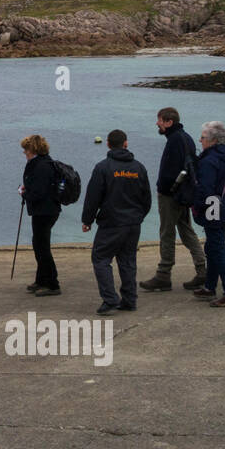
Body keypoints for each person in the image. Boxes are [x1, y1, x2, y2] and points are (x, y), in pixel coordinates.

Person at [80, 129, 152, 315]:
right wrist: (138, 216)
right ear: (126, 144)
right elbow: (147, 199)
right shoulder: (139, 168)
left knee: (101, 258)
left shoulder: (103, 168)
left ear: (108, 144)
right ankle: (129, 300)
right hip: (133, 224)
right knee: (127, 260)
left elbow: (93, 197)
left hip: (112, 223)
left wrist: (87, 220)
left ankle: (110, 299)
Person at [140, 108, 206, 292]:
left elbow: (172, 171)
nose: (157, 123)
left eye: (160, 120)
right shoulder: (185, 138)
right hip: (184, 194)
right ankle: (202, 269)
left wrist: (165, 189)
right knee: (186, 231)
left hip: (172, 195)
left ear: (169, 122)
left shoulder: (175, 140)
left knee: (167, 233)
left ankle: (163, 275)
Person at [191, 121, 225, 307]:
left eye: (202, 138)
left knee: (217, 250)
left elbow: (205, 188)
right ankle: (210, 287)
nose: (200, 140)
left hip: (213, 208)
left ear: (211, 140)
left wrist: (196, 206)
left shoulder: (209, 160)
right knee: (212, 247)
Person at [20, 134, 61, 296]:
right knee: (39, 245)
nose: (24, 153)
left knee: (42, 247)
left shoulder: (41, 166)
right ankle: (42, 279)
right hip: (45, 210)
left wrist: (24, 194)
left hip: (45, 211)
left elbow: (39, 192)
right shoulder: (42, 163)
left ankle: (53, 284)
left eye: (26, 150)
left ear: (33, 149)